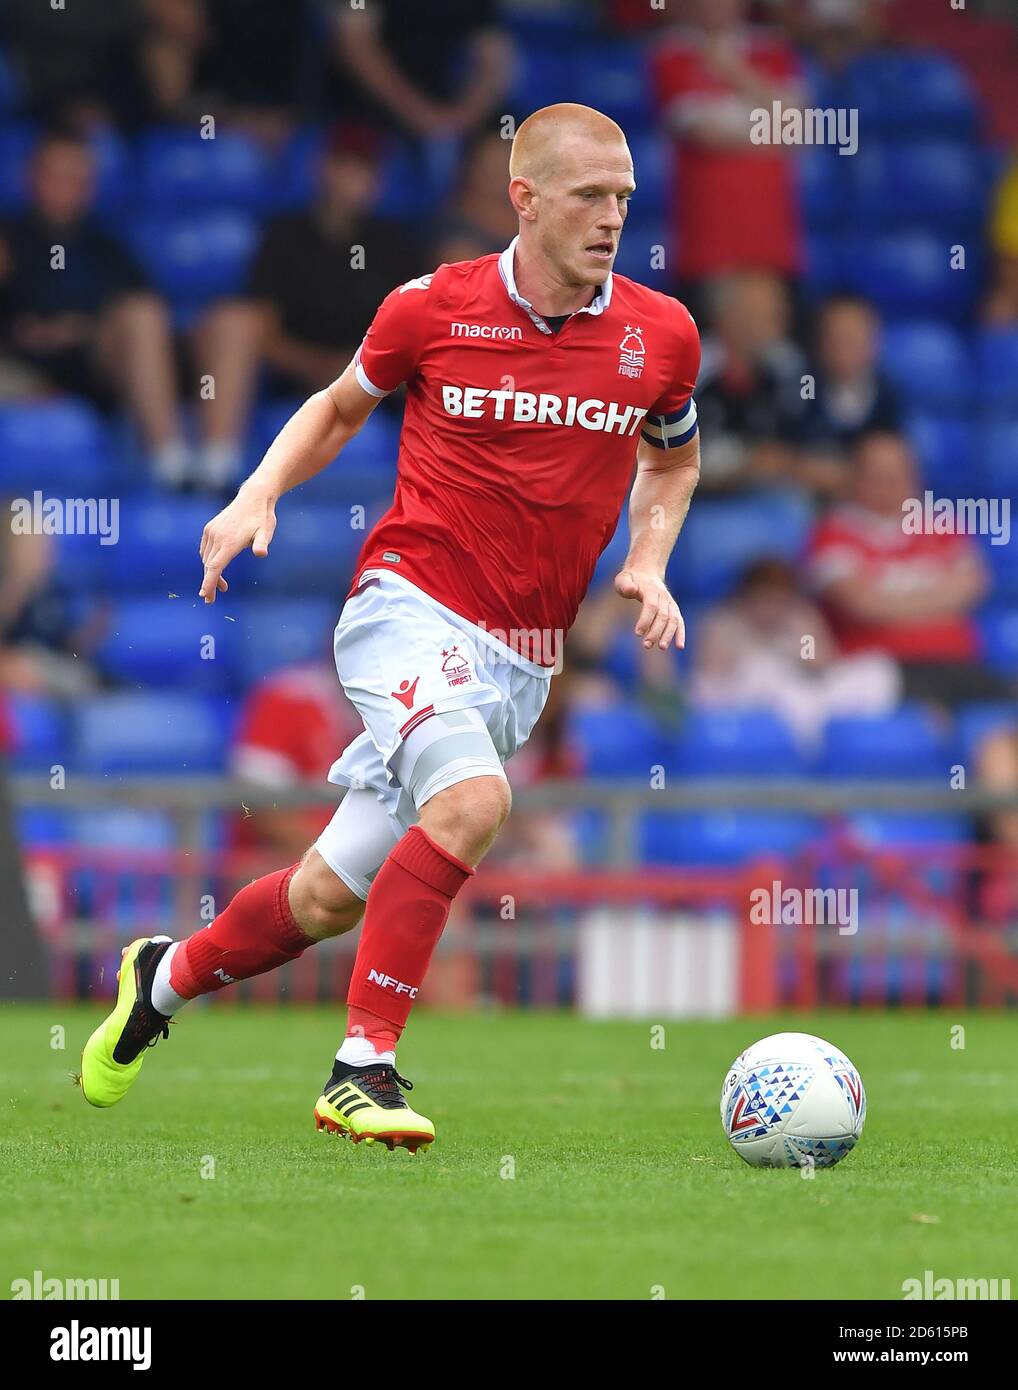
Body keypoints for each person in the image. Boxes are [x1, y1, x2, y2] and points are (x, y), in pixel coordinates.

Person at [79, 103, 703, 1153]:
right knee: (470, 804)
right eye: (590, 197)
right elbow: (334, 406)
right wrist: (256, 494)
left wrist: (646, 560)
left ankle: (164, 977)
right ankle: (362, 1066)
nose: (610, 218)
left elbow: (673, 458)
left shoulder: (661, 333)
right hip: (408, 609)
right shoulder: (434, 307)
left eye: (624, 199)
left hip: (521, 660)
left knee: (325, 898)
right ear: (526, 198)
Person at [0, 127, 258, 490]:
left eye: (76, 178)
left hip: (125, 363)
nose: (65, 188)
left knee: (233, 319)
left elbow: (149, 311)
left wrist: (82, 327)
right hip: (57, 371)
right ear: (30, 176)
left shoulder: (106, 245)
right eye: (55, 175)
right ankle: (168, 466)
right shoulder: (9, 241)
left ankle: (218, 466)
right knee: (140, 315)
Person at [806, 432, 1003, 708]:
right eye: (878, 476)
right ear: (855, 477)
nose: (889, 485)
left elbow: (973, 586)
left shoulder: (941, 525)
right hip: (881, 672)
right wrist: (938, 600)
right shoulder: (832, 533)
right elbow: (860, 604)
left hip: (958, 664)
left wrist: (890, 602)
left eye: (898, 474)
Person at [247, 123, 414, 398]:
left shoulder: (395, 245)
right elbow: (262, 334)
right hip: (294, 385)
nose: (356, 179)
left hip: (374, 390)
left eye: (368, 169)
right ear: (323, 168)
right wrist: (323, 368)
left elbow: (412, 336)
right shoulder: (284, 236)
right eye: (346, 165)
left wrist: (361, 373)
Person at [691, 556, 900, 749]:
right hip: (745, 702)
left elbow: (823, 667)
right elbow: (710, 679)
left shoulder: (801, 618)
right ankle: (807, 745)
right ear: (746, 596)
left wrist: (795, 647)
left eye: (776, 600)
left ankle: (848, 744)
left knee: (878, 669)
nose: (769, 609)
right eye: (762, 600)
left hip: (807, 695)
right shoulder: (721, 623)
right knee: (763, 668)